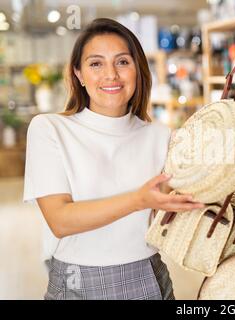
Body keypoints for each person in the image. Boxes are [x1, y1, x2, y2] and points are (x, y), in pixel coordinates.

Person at [23, 18, 204, 300]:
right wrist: (138, 200)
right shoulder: (50, 129)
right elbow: (60, 220)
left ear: (138, 71)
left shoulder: (162, 136)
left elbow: (165, 219)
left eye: (122, 62)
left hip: (151, 278)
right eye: (96, 63)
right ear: (79, 74)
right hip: (78, 283)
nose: (111, 75)